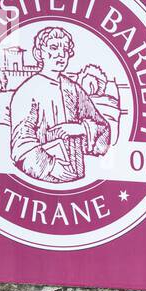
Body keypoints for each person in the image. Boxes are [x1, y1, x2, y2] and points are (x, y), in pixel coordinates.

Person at [8, 27, 111, 183]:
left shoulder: (73, 89)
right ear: (39, 53)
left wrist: (81, 128)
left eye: (65, 49)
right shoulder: (27, 91)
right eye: (54, 48)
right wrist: (52, 166)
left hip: (77, 180)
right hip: (41, 181)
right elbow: (21, 145)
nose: (61, 54)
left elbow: (103, 128)